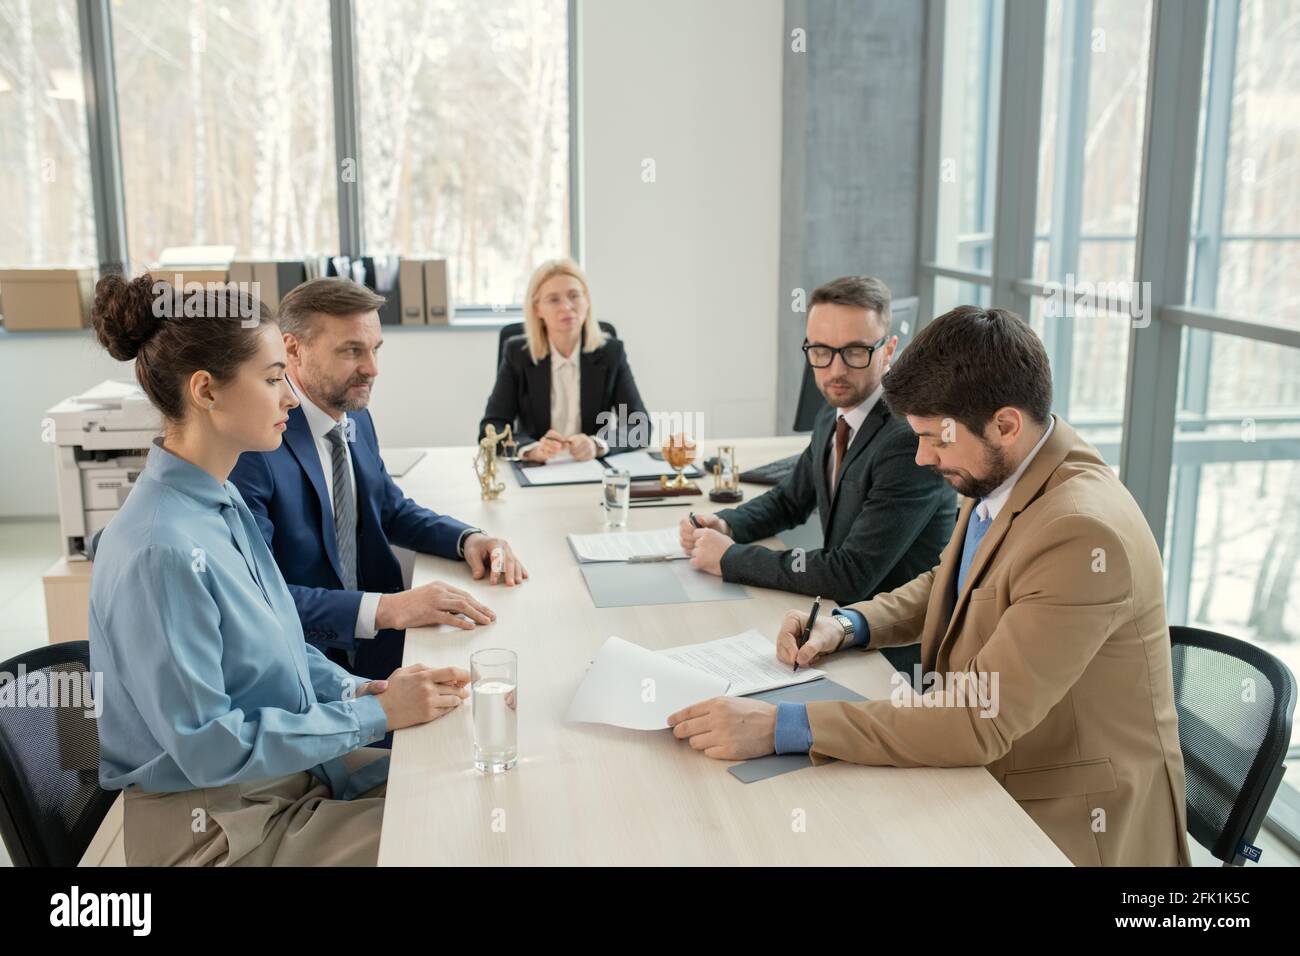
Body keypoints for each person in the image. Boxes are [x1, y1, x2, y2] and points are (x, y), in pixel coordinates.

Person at [668, 305, 1192, 867]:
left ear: (1006, 424)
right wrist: (848, 625)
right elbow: (951, 582)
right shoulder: (1007, 465)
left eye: (933, 439)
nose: (922, 457)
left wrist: (782, 726)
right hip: (984, 772)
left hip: (1064, 822)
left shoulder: (1080, 532)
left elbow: (974, 721)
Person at [89, 274, 468, 866]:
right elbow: (209, 749)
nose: (290, 397)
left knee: (466, 780)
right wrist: (375, 715)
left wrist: (362, 690)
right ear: (206, 391)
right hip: (218, 826)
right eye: (272, 380)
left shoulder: (219, 499)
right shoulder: (159, 550)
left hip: (286, 781)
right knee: (457, 839)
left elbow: (285, 640)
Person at [230, 278, 526, 683]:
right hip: (309, 665)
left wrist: (468, 539)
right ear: (293, 349)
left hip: (383, 645)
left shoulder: (353, 414)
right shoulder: (258, 445)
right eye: (352, 350)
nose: (372, 369)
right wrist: (388, 609)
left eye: (375, 349)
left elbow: (388, 507)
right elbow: (257, 597)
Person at [679, 276, 955, 603]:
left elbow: (851, 574)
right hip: (835, 623)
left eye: (855, 351)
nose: (835, 370)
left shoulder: (909, 440)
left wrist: (730, 558)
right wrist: (727, 524)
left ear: (889, 350)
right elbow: (790, 501)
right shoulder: (832, 413)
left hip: (886, 642)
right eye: (821, 351)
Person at [479, 258, 649, 461]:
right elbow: (491, 429)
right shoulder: (518, 353)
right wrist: (530, 449)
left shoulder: (611, 352)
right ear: (536, 309)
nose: (567, 306)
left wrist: (597, 444)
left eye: (574, 295)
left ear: (586, 301)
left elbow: (640, 426)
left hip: (589, 468)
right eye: (553, 299)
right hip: (538, 470)